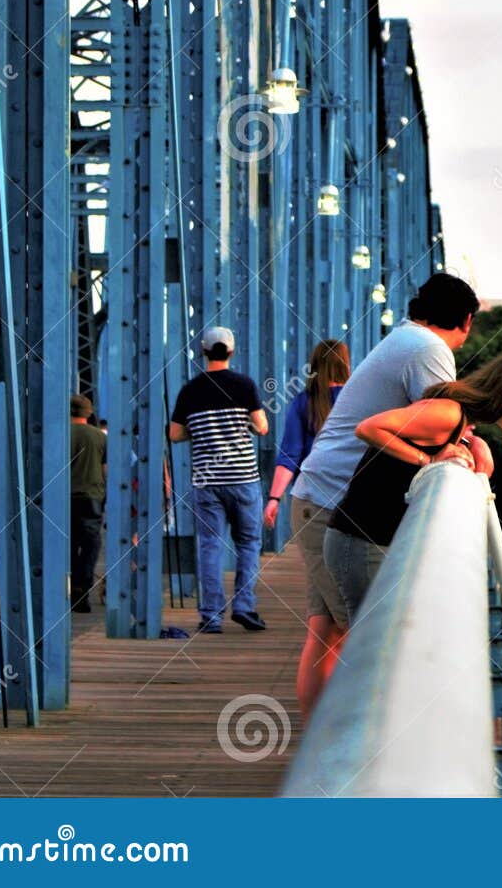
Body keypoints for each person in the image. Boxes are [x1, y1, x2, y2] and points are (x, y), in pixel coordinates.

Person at [288, 271, 478, 717]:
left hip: (317, 496)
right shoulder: (430, 350)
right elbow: (437, 423)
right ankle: (342, 751)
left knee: (326, 631)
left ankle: (318, 744)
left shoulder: (404, 340)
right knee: (362, 636)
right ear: (466, 321)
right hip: (334, 504)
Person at [323, 351, 502, 624]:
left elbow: (429, 437)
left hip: (369, 540)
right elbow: (368, 428)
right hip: (360, 543)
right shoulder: (448, 413)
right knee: (371, 651)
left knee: (378, 647)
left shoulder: (460, 419)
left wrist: (474, 445)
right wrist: (429, 460)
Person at [169, 325, 269, 634]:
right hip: (243, 478)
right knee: (249, 542)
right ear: (231, 350)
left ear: (203, 351)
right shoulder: (245, 385)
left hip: (207, 480)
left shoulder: (190, 390)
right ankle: (244, 606)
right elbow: (262, 427)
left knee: (211, 545)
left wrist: (197, 431)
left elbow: (174, 434)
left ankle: (211, 616)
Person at [265, 340, 351, 531]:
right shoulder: (357, 400)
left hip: (312, 498)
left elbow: (290, 455)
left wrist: (274, 498)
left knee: (318, 560)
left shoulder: (304, 402)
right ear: (345, 364)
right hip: (350, 498)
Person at [68, 394, 107, 613]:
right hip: (92, 497)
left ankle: (71, 587)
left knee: (70, 545)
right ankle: (82, 591)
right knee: (91, 545)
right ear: (89, 413)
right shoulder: (100, 437)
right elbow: (106, 470)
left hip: (65, 498)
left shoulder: (59, 435)